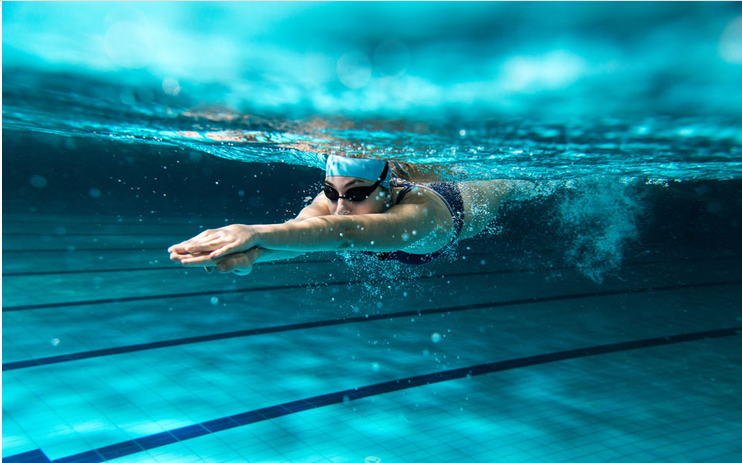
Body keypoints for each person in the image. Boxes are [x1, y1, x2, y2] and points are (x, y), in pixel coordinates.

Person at [168, 155, 525, 275]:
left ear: (387, 190)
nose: (340, 206)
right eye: (330, 192)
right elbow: (300, 233)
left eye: (355, 194)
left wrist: (252, 231)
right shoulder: (338, 203)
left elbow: (346, 232)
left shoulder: (421, 214)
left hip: (470, 198)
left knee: (513, 183)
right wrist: (251, 257)